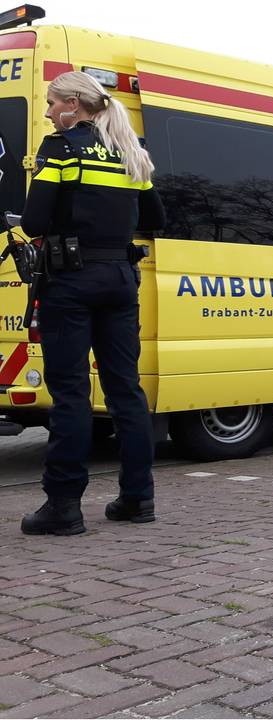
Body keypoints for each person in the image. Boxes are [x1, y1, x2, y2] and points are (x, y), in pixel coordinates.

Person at [19, 71, 166, 535]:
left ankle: (63, 508)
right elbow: (156, 219)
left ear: (73, 105)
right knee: (126, 391)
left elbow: (33, 220)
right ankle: (137, 499)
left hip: (71, 281)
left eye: (50, 103)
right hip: (121, 279)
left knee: (71, 394)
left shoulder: (61, 147)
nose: (47, 112)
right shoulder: (131, 151)